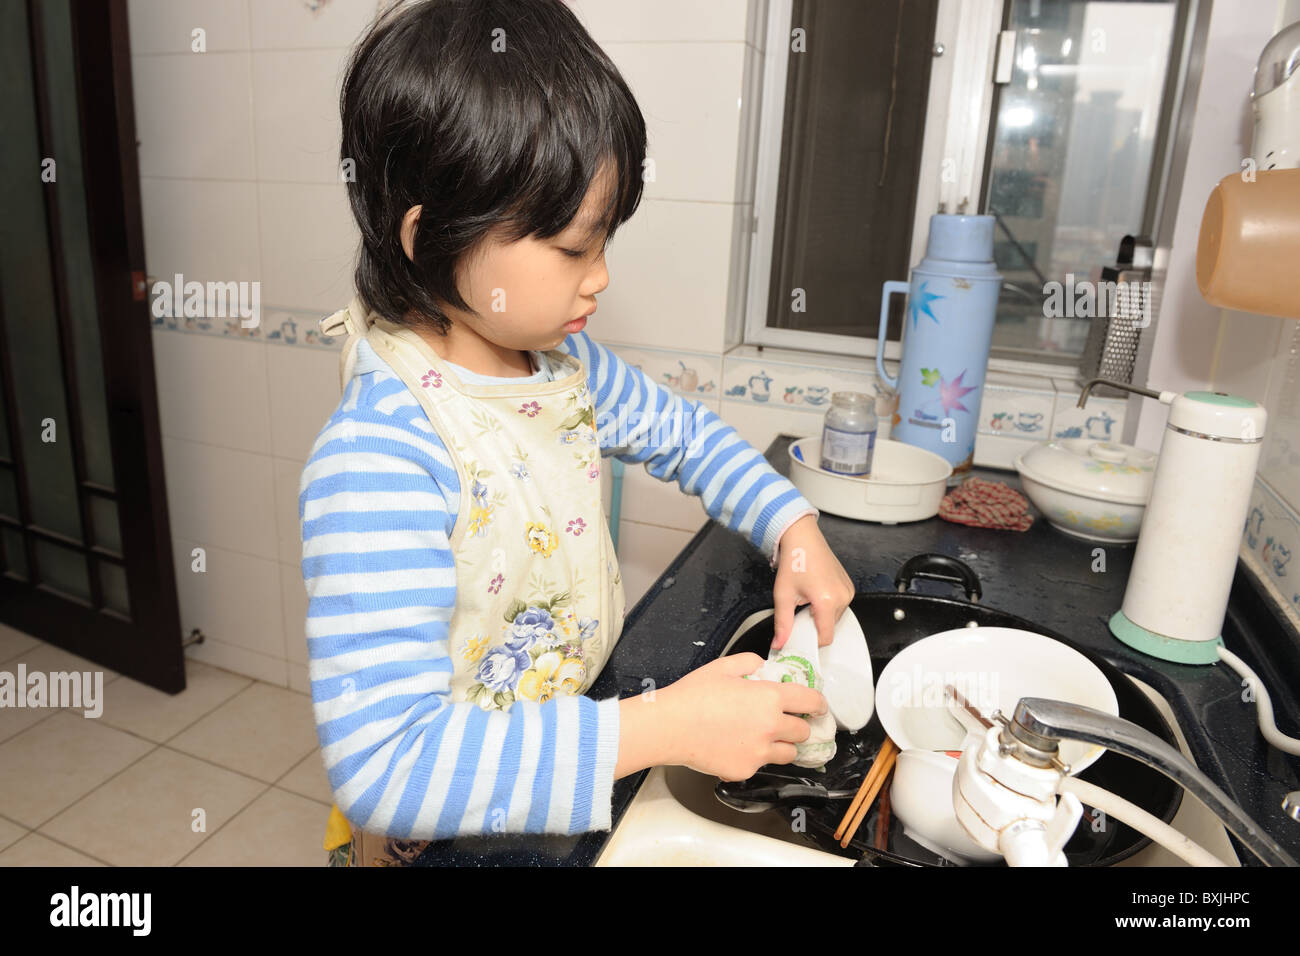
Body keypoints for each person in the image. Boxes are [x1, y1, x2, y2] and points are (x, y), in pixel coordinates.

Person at [300, 0, 855, 867]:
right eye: (571, 247)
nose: (600, 277)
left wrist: (793, 527)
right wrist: (667, 726)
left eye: (604, 241)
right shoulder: (382, 455)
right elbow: (386, 766)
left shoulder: (565, 366)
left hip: (567, 767)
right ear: (430, 235)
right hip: (439, 837)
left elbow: (689, 437)